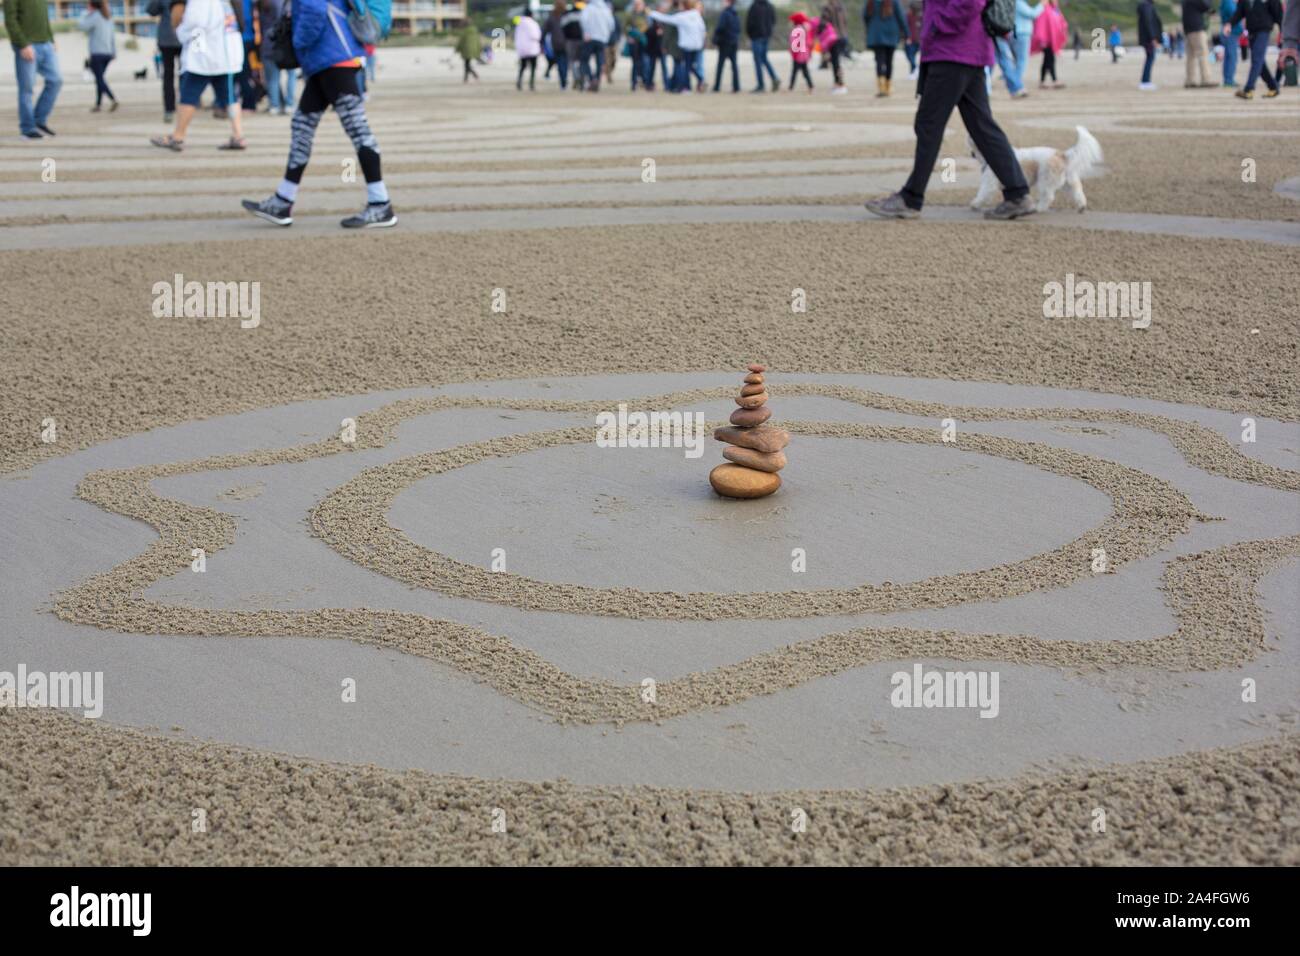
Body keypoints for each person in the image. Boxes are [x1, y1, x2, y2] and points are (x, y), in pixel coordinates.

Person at [864, 0, 1032, 220]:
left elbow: (970, 3)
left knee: (929, 124)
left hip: (952, 51)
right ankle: (1017, 193)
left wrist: (937, 25)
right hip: (967, 50)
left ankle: (911, 197)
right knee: (981, 126)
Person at [242, 0, 394, 228]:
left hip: (332, 58)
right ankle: (283, 200)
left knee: (357, 129)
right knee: (302, 126)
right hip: (329, 57)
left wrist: (298, 43)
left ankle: (380, 202)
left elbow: (314, 9)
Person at [150, 0, 246, 151]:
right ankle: (238, 136)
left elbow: (194, 24)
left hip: (206, 56)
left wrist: (184, 37)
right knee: (230, 97)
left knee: (188, 95)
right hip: (227, 54)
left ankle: (178, 136)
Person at [5, 0, 62, 139]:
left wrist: (51, 38)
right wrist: (23, 44)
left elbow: (44, 18)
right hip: (27, 45)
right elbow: (10, 20)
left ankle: (38, 121)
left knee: (56, 81)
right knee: (27, 89)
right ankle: (27, 128)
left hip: (46, 44)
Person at [649, 0, 705, 92]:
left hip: (686, 46)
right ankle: (698, 80)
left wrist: (651, 13)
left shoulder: (682, 17)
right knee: (690, 66)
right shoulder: (696, 15)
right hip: (697, 46)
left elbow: (666, 19)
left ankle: (686, 86)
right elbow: (702, 30)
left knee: (685, 67)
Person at [1232, 0, 1283, 98]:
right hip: (1252, 31)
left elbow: (1278, 14)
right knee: (1260, 62)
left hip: (1264, 31)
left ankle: (1248, 89)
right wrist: (1229, 24)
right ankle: (1273, 87)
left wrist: (1283, 31)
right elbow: (1239, 13)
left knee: (1256, 60)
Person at [995, 1, 1043, 97]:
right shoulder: (1018, 2)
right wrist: (1042, 5)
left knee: (1008, 60)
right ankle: (1016, 86)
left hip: (1007, 32)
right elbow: (1032, 14)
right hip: (1020, 33)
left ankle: (1015, 85)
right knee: (1020, 61)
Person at [864, 0, 909, 97]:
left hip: (876, 34)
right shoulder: (894, 1)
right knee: (889, 61)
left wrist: (870, 27)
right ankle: (888, 86)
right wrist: (906, 33)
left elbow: (865, 16)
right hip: (891, 34)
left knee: (879, 61)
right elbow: (900, 17)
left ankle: (881, 87)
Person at [80, 1, 118, 112]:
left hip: (97, 53)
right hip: (108, 53)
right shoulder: (108, 17)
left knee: (99, 79)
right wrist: (114, 52)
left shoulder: (95, 16)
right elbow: (112, 37)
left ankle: (113, 99)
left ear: (92, 6)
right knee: (99, 79)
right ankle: (98, 104)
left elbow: (82, 26)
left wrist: (85, 14)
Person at [148, 0, 183, 122]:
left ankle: (169, 108)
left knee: (168, 76)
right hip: (182, 38)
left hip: (167, 39)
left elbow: (151, 11)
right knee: (185, 73)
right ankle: (186, 104)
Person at [261, 0, 295, 113]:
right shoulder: (284, 4)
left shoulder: (263, 3)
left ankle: (274, 105)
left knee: (272, 79)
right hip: (285, 44)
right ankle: (289, 104)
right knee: (291, 75)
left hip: (268, 43)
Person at [580, 0, 616, 91]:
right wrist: (606, 34)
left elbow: (583, 20)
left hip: (590, 38)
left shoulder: (588, 8)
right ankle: (597, 79)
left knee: (584, 60)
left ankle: (591, 78)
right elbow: (611, 25)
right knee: (600, 61)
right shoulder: (606, 9)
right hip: (602, 39)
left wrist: (586, 32)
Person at [810, 7, 848, 93]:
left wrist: (825, 53)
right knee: (836, 64)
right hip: (840, 38)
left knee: (836, 64)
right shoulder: (839, 9)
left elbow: (824, 42)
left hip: (835, 42)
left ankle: (840, 84)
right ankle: (838, 83)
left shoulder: (819, 26)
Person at [1032, 0, 1067, 89]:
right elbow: (1041, 25)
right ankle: (1054, 80)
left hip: (1051, 39)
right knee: (1050, 60)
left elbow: (1060, 22)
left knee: (1047, 60)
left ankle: (1042, 81)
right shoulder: (1045, 10)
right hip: (1046, 41)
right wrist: (1042, 39)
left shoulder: (1054, 10)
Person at [746, 0, 778, 91]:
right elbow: (773, 21)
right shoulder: (770, 6)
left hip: (756, 37)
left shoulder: (754, 6)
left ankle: (761, 85)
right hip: (766, 37)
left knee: (758, 61)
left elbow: (749, 23)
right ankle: (774, 78)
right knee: (764, 58)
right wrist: (769, 32)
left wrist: (750, 35)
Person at [1182, 0, 1216, 86]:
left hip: (1188, 29)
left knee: (1191, 56)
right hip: (1197, 28)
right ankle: (1206, 79)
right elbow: (1206, 5)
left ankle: (1190, 80)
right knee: (1203, 54)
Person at [713, 0, 741, 92]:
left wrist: (716, 36)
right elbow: (738, 28)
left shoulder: (725, 14)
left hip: (725, 42)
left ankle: (717, 86)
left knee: (720, 65)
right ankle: (736, 86)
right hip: (734, 42)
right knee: (734, 65)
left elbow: (720, 27)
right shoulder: (735, 13)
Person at [1137, 0, 1163, 89]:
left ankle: (1145, 81)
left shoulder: (1145, 5)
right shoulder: (1147, 6)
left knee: (1150, 57)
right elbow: (1149, 22)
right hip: (1148, 38)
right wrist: (1153, 37)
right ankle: (1145, 81)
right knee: (1150, 57)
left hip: (1146, 37)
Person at [515, 9, 542, 90]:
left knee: (523, 66)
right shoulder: (533, 23)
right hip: (532, 48)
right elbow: (536, 36)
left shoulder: (519, 23)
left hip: (522, 49)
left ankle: (519, 82)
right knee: (533, 67)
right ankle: (531, 83)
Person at [788, 11, 814, 91]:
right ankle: (810, 85)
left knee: (795, 71)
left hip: (798, 54)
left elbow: (794, 42)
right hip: (804, 53)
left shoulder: (798, 29)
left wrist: (793, 52)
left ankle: (791, 87)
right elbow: (809, 42)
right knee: (805, 70)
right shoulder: (806, 29)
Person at [561, 1, 585, 89]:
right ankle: (582, 78)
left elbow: (563, 27)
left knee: (572, 61)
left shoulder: (568, 14)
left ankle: (576, 77)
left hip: (570, 41)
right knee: (582, 61)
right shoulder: (585, 13)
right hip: (582, 41)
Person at [1219, 0, 1243, 85]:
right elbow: (1235, 15)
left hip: (1230, 32)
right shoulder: (1228, 2)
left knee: (1229, 57)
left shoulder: (1227, 2)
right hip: (1230, 33)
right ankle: (1229, 80)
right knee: (1232, 57)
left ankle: (1228, 79)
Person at [546, 1, 569, 88]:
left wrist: (541, 41)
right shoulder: (567, 15)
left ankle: (562, 81)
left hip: (555, 43)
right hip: (567, 42)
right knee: (565, 62)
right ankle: (564, 78)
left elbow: (545, 29)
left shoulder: (551, 17)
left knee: (559, 62)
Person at [903, 0, 922, 78]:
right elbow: (905, 27)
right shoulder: (908, 16)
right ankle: (913, 71)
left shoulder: (920, 17)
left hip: (917, 40)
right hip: (911, 39)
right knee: (910, 56)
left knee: (911, 55)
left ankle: (914, 69)